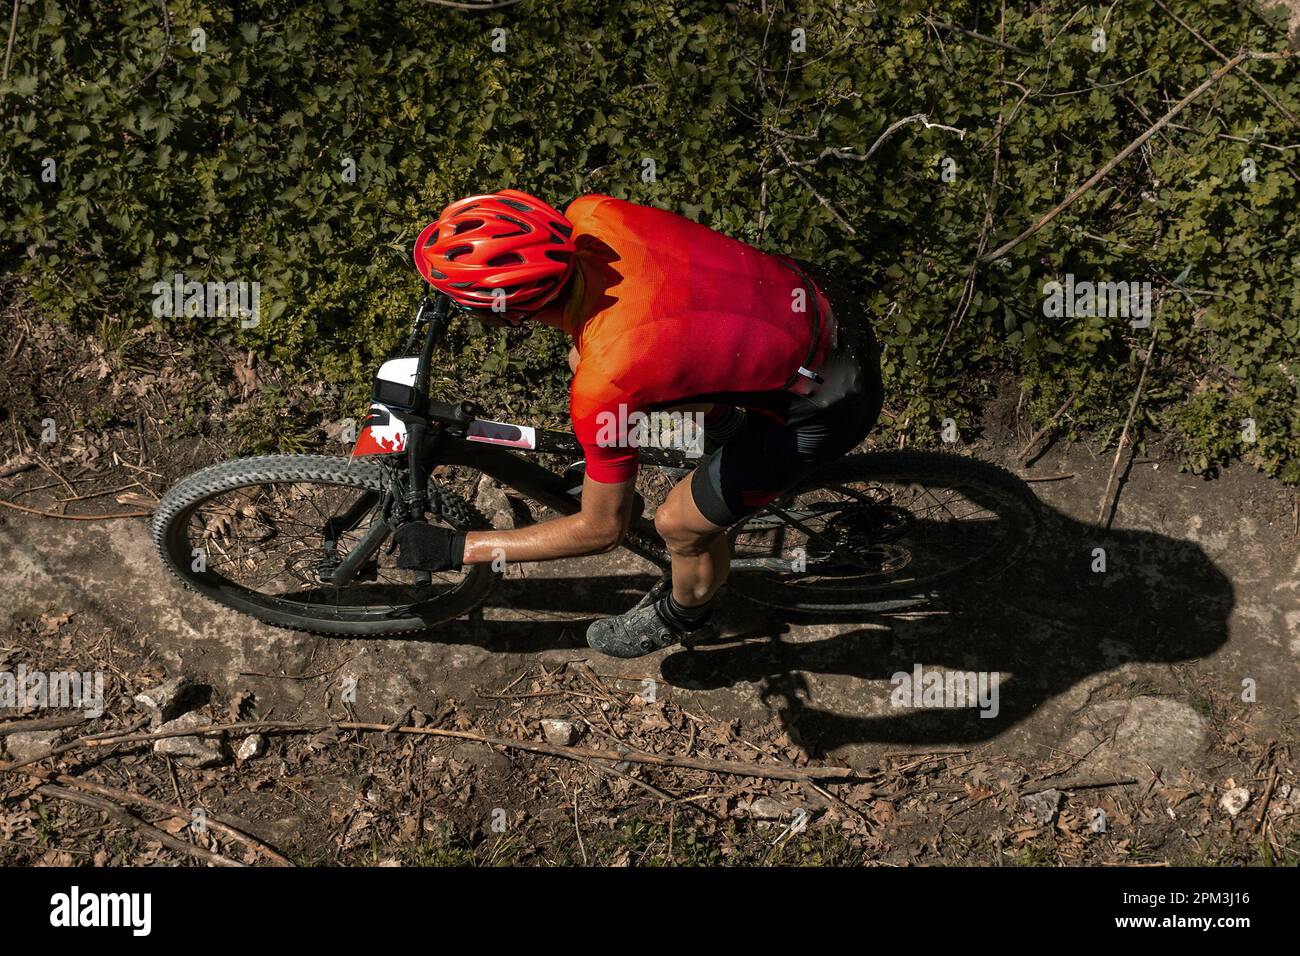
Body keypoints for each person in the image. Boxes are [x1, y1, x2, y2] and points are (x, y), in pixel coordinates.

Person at [406, 189, 883, 658]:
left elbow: (601, 530)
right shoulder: (593, 214)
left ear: (506, 314)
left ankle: (686, 614)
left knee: (680, 525)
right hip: (814, 297)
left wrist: (458, 548)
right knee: (597, 362)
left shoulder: (607, 378)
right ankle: (728, 429)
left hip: (830, 399)